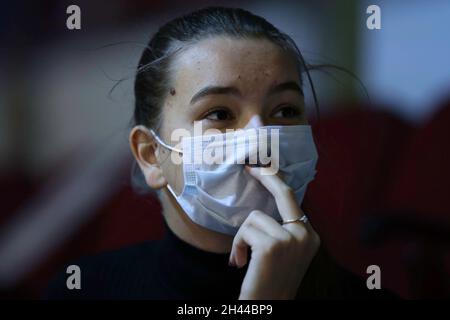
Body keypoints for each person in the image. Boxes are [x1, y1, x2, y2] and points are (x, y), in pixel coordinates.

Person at [45, 6, 396, 300]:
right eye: (220, 114)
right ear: (151, 155)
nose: (260, 140)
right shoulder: (83, 289)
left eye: (286, 111)